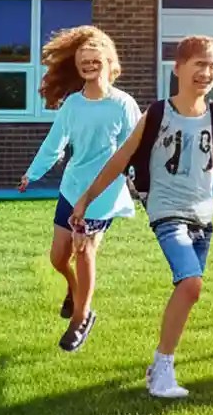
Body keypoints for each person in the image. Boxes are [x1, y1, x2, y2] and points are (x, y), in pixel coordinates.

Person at [70, 35, 213, 398]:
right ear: (178, 68)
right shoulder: (158, 113)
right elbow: (120, 158)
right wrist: (86, 199)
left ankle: (160, 364)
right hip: (166, 211)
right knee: (191, 283)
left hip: (202, 217)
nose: (206, 72)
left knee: (188, 292)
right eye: (199, 64)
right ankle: (163, 371)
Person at [19, 25, 140, 352]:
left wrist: (141, 182)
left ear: (109, 62)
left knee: (85, 250)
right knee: (59, 258)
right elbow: (54, 143)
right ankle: (73, 289)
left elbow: (135, 148)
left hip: (103, 192)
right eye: (83, 62)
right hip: (72, 188)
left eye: (95, 60)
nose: (89, 66)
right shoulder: (73, 105)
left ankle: (81, 318)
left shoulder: (124, 104)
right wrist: (33, 172)